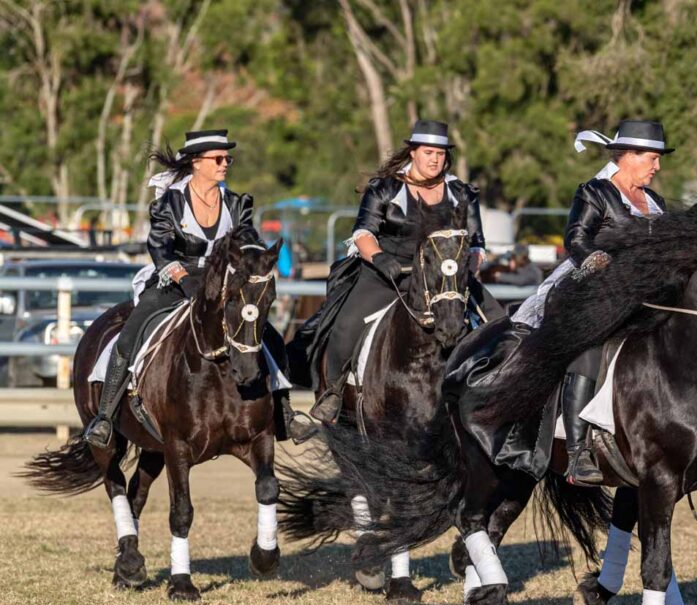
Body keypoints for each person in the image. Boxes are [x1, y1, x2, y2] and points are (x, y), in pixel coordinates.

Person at [83, 129, 313, 448]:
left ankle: (285, 412)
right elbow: (160, 248)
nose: (225, 164)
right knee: (131, 331)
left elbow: (249, 240)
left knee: (267, 333)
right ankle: (106, 416)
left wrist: (257, 262)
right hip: (175, 278)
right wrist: (184, 277)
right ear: (196, 163)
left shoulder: (236, 202)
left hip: (222, 282)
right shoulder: (171, 203)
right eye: (218, 158)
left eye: (227, 158)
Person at [307, 120, 504, 423]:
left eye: (440, 153)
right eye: (428, 152)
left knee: (501, 324)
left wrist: (470, 266)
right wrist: (379, 257)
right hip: (389, 274)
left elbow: (476, 243)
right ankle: (332, 391)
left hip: (445, 278)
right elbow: (363, 234)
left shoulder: (461, 193)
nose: (435, 159)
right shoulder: (385, 189)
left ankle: (504, 392)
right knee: (345, 326)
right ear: (413, 152)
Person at [513, 119, 672, 486]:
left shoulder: (656, 203)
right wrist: (595, 259)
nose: (657, 166)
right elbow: (576, 238)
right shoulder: (595, 192)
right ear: (628, 156)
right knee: (590, 344)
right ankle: (577, 452)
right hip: (594, 288)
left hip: (645, 294)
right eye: (652, 158)